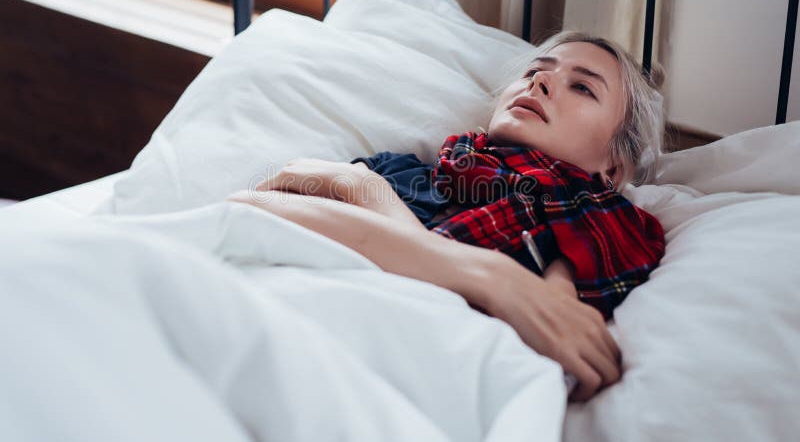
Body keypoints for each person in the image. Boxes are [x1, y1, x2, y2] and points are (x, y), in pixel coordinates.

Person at [228, 31, 666, 403]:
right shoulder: (397, 174)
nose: (542, 81)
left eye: (583, 87)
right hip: (269, 321)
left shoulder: (590, 224)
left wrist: (367, 200)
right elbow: (246, 212)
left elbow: (533, 349)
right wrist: (490, 276)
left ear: (613, 169)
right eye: (533, 71)